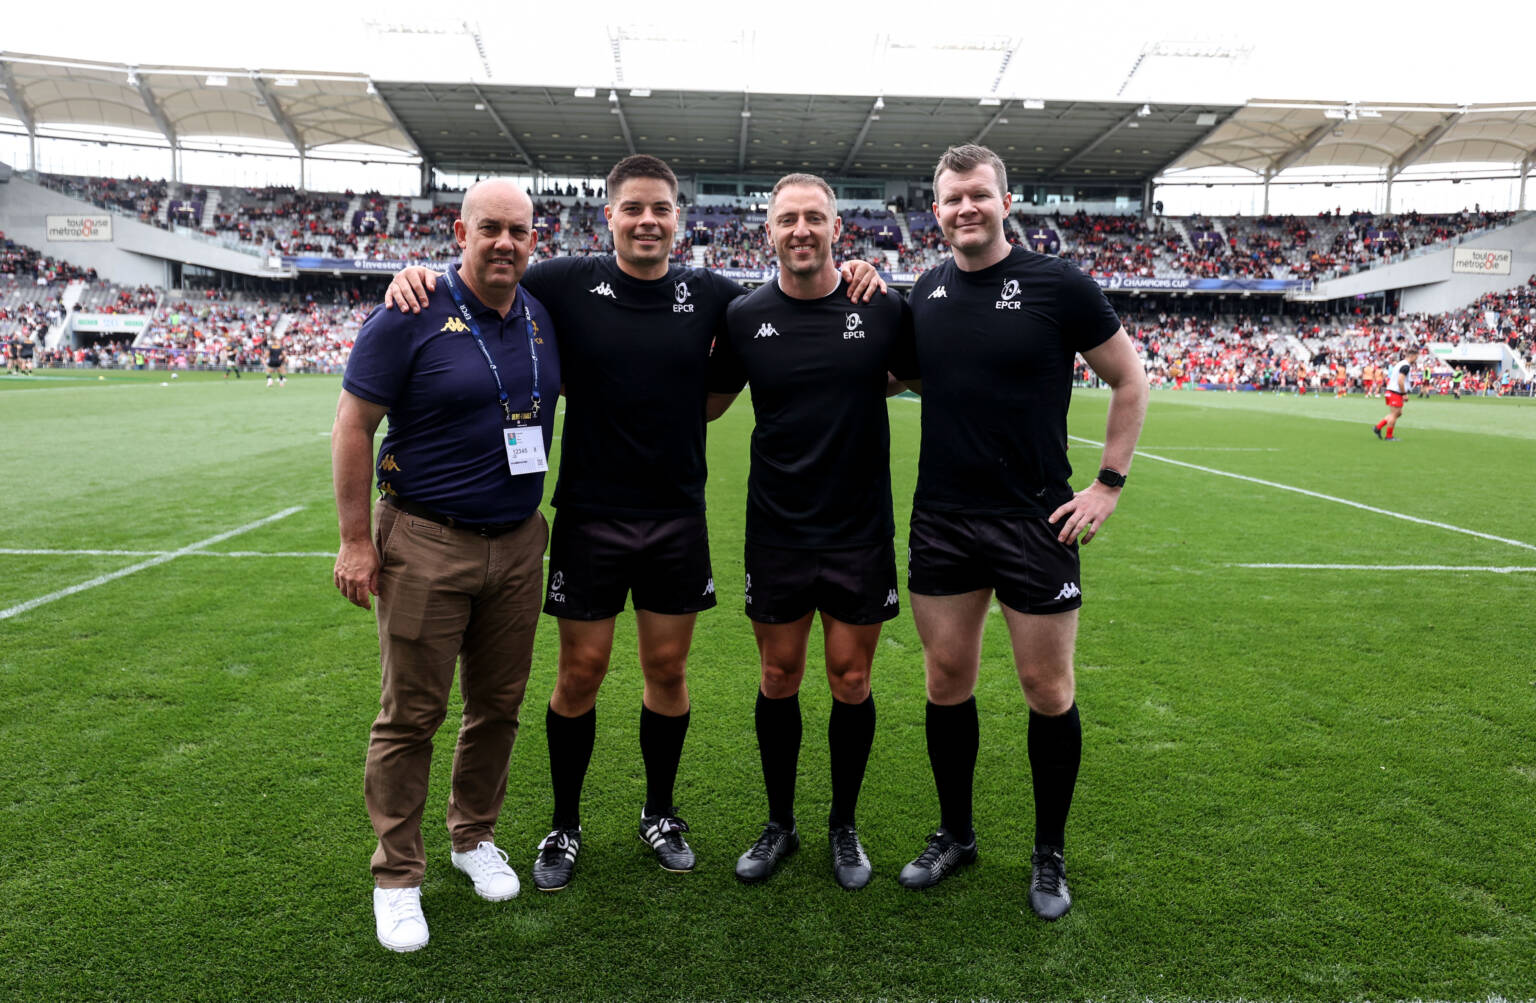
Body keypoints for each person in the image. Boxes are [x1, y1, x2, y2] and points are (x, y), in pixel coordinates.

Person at [383, 155, 884, 892]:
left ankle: (660, 810)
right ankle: (564, 821)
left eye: (661, 209)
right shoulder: (561, 282)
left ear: (679, 218)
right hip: (589, 513)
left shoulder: (716, 295)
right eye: (633, 209)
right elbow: (486, 264)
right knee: (579, 672)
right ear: (609, 216)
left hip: (676, 514)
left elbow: (782, 314)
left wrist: (863, 271)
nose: (648, 220)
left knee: (667, 671)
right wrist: (414, 272)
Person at [895, 145, 1148, 921]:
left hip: (1036, 520)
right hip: (942, 518)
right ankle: (957, 833)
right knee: (946, 683)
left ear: (1006, 200)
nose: (964, 209)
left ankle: (1048, 851)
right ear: (934, 211)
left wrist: (1107, 484)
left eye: (977, 195)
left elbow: (1129, 378)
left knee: (1047, 688)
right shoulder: (926, 290)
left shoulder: (1058, 284)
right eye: (950, 199)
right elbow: (894, 370)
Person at [332, 178, 560, 952]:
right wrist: (357, 539)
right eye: (489, 228)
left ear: (536, 239)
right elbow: (354, 424)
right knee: (412, 715)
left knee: (498, 706)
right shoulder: (410, 309)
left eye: (518, 230)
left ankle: (472, 838)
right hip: (426, 538)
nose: (504, 242)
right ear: (460, 231)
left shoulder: (539, 314)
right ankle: (396, 875)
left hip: (521, 539)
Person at [705, 174, 913, 890]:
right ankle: (779, 822)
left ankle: (843, 824)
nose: (801, 229)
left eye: (814, 218)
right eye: (787, 218)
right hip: (777, 530)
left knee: (852, 679)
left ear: (836, 229)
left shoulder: (880, 306)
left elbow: (918, 375)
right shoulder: (742, 316)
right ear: (769, 230)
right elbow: (704, 404)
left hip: (858, 531)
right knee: (778, 675)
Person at [1374, 350, 1419, 441]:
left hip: (1391, 391)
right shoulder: (1405, 366)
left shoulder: (1401, 363)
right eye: (1416, 357)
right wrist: (1404, 394)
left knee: (1397, 413)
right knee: (1394, 415)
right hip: (1395, 392)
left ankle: (1378, 427)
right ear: (1413, 356)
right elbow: (1400, 380)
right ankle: (1389, 436)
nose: (1416, 359)